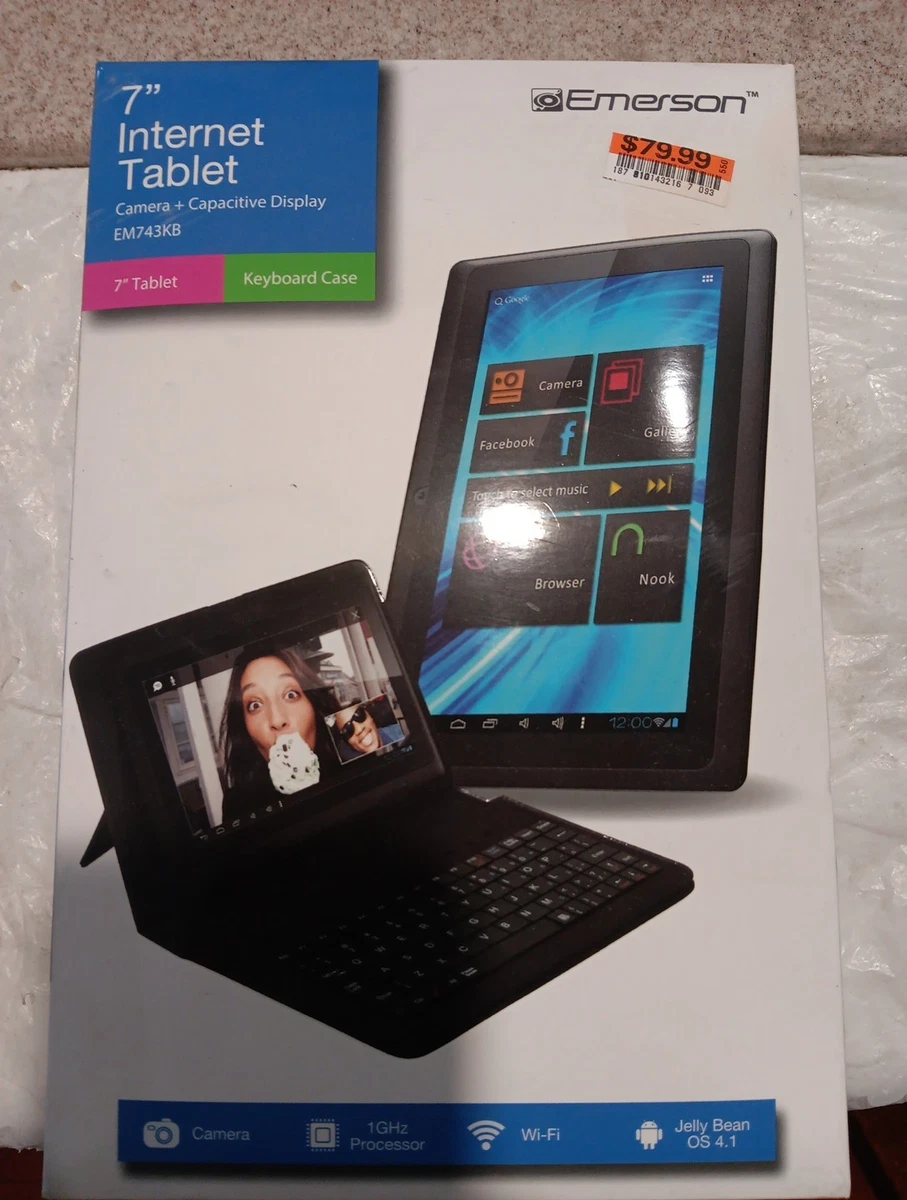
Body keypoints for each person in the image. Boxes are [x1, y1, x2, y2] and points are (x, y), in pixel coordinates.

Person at [219, 643, 337, 826]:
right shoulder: (239, 808)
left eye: (290, 695)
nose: (277, 720)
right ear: (244, 728)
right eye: (255, 705)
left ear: (314, 706)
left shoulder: (357, 766)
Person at [331, 700, 405, 760]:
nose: (359, 729)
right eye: (348, 729)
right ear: (349, 743)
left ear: (370, 716)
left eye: (359, 715)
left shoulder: (401, 732)